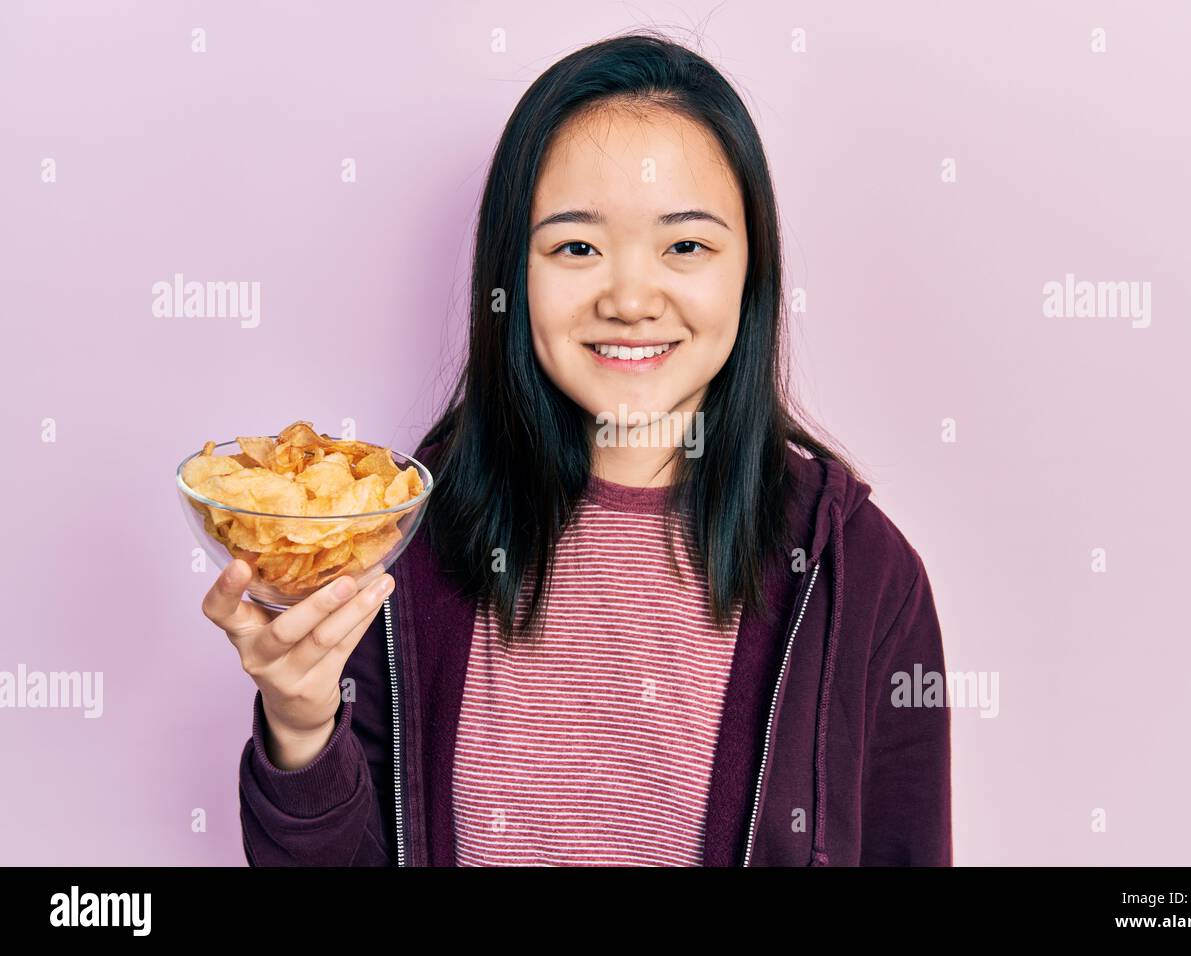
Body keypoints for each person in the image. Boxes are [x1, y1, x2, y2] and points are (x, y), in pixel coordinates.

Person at [204, 30, 952, 867]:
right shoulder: (401, 541)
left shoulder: (861, 573)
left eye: (686, 245)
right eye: (576, 247)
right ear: (512, 274)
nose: (631, 299)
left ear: (752, 273)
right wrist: (300, 720)